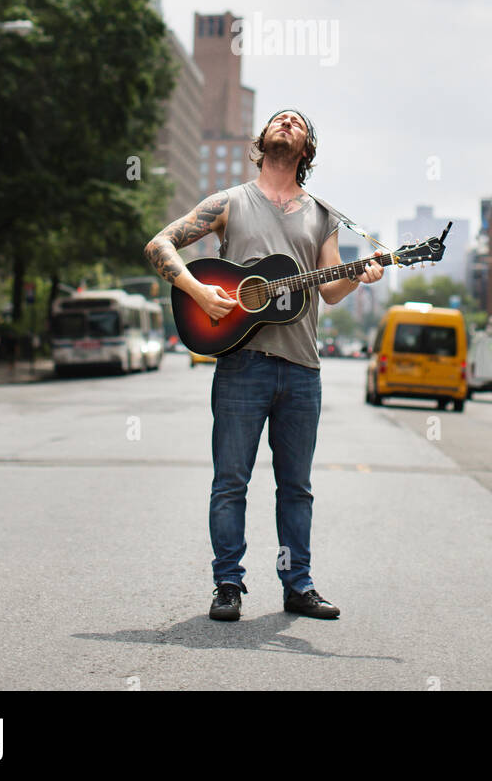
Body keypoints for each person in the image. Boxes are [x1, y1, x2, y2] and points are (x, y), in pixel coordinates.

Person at [144, 108, 384, 622]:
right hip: (241, 364)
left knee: (295, 487)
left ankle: (298, 585)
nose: (286, 124)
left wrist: (360, 277)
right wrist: (196, 291)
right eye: (279, 119)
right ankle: (227, 584)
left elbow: (329, 289)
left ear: (306, 150)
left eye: (297, 123)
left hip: (302, 368)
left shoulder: (321, 214)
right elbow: (158, 243)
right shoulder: (230, 202)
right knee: (231, 480)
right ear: (263, 140)